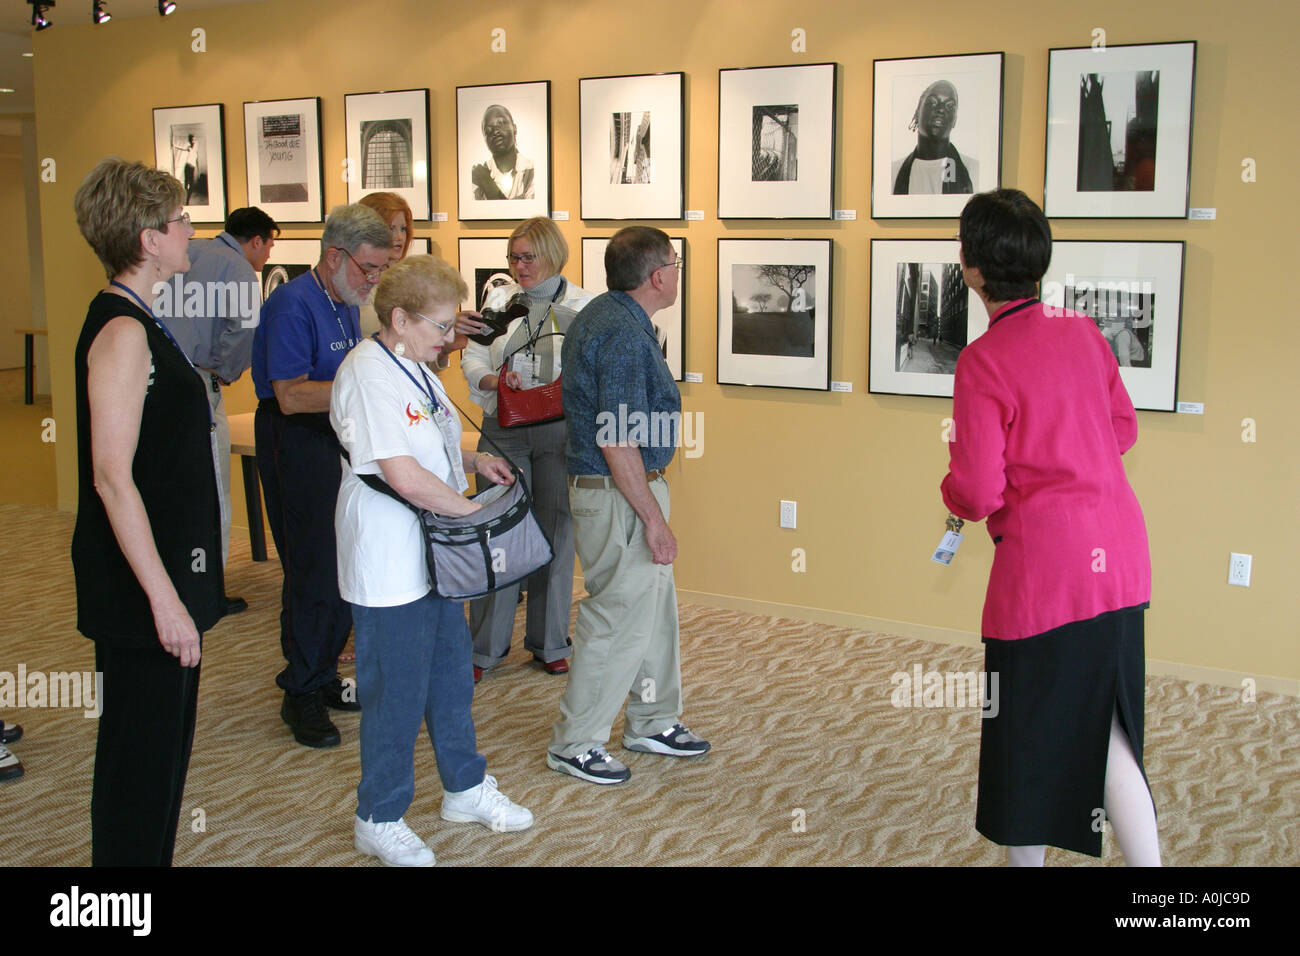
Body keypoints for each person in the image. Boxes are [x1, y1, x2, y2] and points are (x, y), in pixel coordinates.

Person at [940, 189, 1159, 866]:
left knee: (1046, 737)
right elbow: (1123, 428)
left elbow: (975, 490)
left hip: (1048, 575)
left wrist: (957, 493)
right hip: (1119, 555)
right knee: (1100, 725)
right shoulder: (1082, 330)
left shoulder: (985, 360)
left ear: (971, 268)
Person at [331, 255, 532, 866]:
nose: (452, 338)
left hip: (433, 550)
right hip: (389, 555)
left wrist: (475, 466)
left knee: (449, 677)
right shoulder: (368, 373)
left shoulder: (414, 365)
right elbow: (400, 472)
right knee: (394, 691)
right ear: (399, 318)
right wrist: (473, 517)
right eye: (442, 326)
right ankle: (378, 815)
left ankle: (465, 788)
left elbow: (430, 445)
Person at [71, 157, 222, 865]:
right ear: (148, 238)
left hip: (161, 571)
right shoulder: (123, 331)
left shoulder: (141, 317)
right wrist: (164, 601)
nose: (191, 229)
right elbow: (110, 476)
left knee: (159, 758)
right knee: (140, 761)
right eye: (182, 220)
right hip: (140, 584)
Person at [547, 226, 709, 785]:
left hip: (626, 489)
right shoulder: (619, 332)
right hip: (619, 493)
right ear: (657, 275)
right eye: (676, 262)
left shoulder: (616, 318)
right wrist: (654, 519)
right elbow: (617, 440)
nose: (679, 271)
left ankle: (652, 718)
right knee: (617, 616)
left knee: (652, 612)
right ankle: (576, 742)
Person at [252, 204, 392, 748]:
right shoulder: (292, 303)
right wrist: (367, 389)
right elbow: (289, 394)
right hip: (297, 439)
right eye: (368, 269)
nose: (374, 280)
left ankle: (325, 675)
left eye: (381, 270)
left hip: (335, 434)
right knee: (312, 570)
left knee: (343, 562)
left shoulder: (345, 301)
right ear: (335, 256)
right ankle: (301, 690)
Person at [460, 218, 594, 681]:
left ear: (552, 255)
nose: (518, 267)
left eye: (527, 257)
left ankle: (549, 642)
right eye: (513, 258)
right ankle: (483, 650)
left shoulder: (583, 305)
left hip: (560, 432)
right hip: (505, 429)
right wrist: (494, 379)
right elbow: (471, 356)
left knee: (556, 533)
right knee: (499, 532)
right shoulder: (499, 302)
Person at [159, 206, 279, 615]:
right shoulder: (239, 269)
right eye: (268, 247)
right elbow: (244, 328)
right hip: (198, 384)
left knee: (175, 488)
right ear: (257, 240)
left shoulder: (187, 253)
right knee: (213, 491)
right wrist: (226, 371)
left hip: (159, 378)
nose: (266, 258)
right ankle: (208, 591)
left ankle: (175, 580)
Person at [891, 80, 978, 195]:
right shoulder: (894, 172)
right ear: (917, 113)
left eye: (949, 106)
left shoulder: (973, 169)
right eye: (932, 103)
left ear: (955, 121)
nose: (941, 109)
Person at [471, 105, 535, 200]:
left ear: (514, 128)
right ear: (484, 139)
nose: (495, 131)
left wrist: (486, 182)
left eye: (501, 123)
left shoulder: (532, 169)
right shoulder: (477, 175)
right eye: (488, 130)